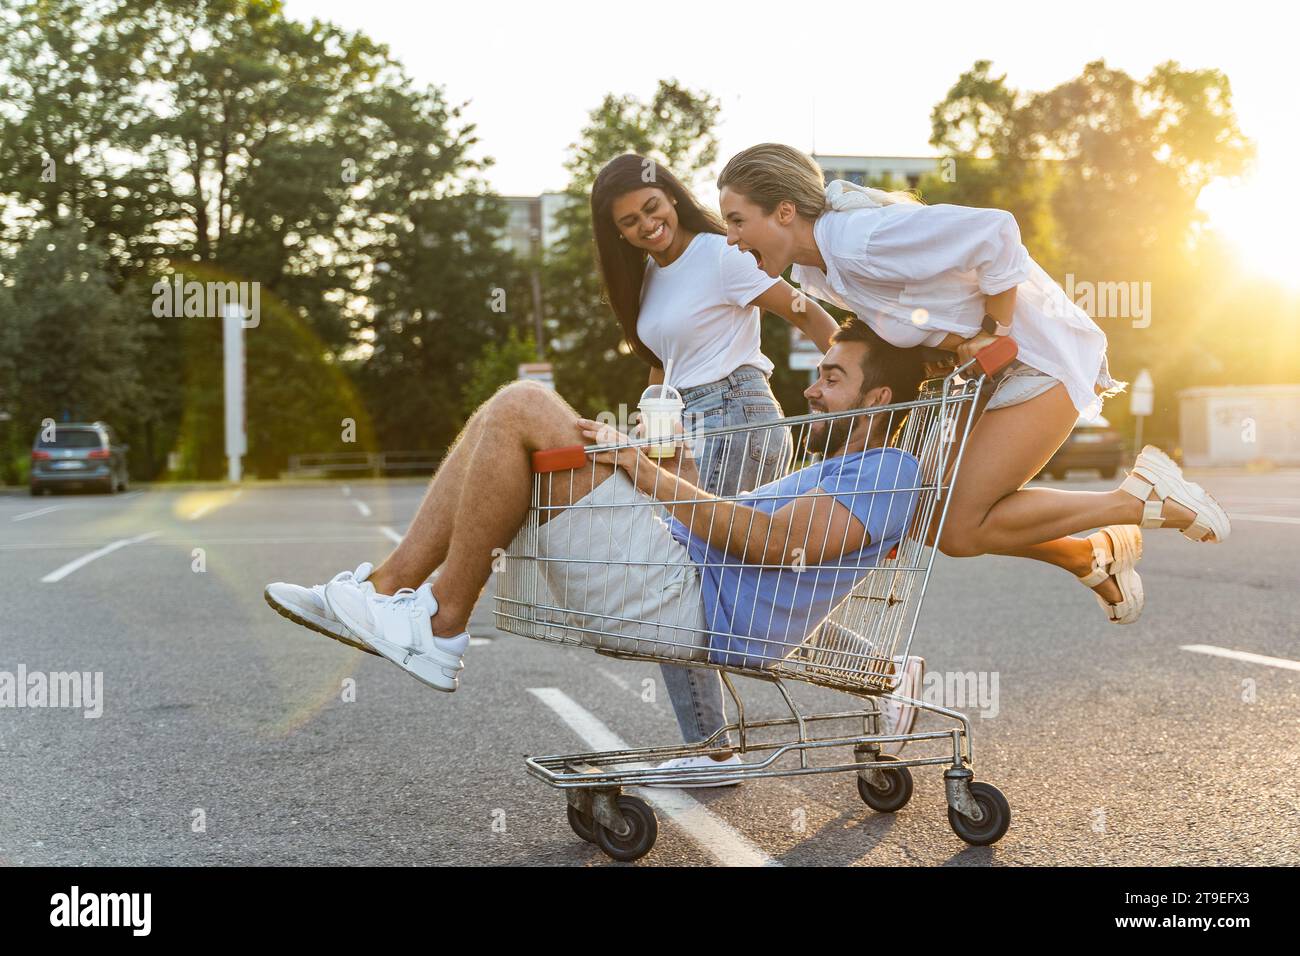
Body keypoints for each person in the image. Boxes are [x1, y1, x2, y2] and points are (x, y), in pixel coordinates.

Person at [264, 320, 925, 747]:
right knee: (500, 416)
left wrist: (644, 472)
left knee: (523, 406)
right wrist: (677, 467)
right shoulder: (842, 469)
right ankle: (389, 590)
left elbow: (779, 546)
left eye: (832, 378)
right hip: (677, 586)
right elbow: (742, 533)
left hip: (686, 609)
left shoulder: (888, 471)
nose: (812, 389)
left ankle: (438, 626)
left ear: (878, 400)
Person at [715, 143, 1231, 627]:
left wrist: (992, 330)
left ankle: (1139, 500)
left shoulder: (857, 240)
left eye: (738, 221)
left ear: (784, 211)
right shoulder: (822, 273)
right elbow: (920, 312)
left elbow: (997, 232)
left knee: (959, 528)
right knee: (927, 511)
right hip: (981, 376)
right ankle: (1089, 555)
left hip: (1038, 358)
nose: (732, 237)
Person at [590, 154, 910, 781]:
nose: (646, 225)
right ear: (618, 233)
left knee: (680, 583)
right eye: (629, 222)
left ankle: (712, 750)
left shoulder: (719, 255)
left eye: (651, 208)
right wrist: (648, 428)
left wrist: (854, 396)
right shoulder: (651, 282)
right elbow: (663, 370)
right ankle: (882, 673)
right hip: (686, 425)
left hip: (737, 416)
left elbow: (806, 313)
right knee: (730, 591)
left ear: (672, 199)